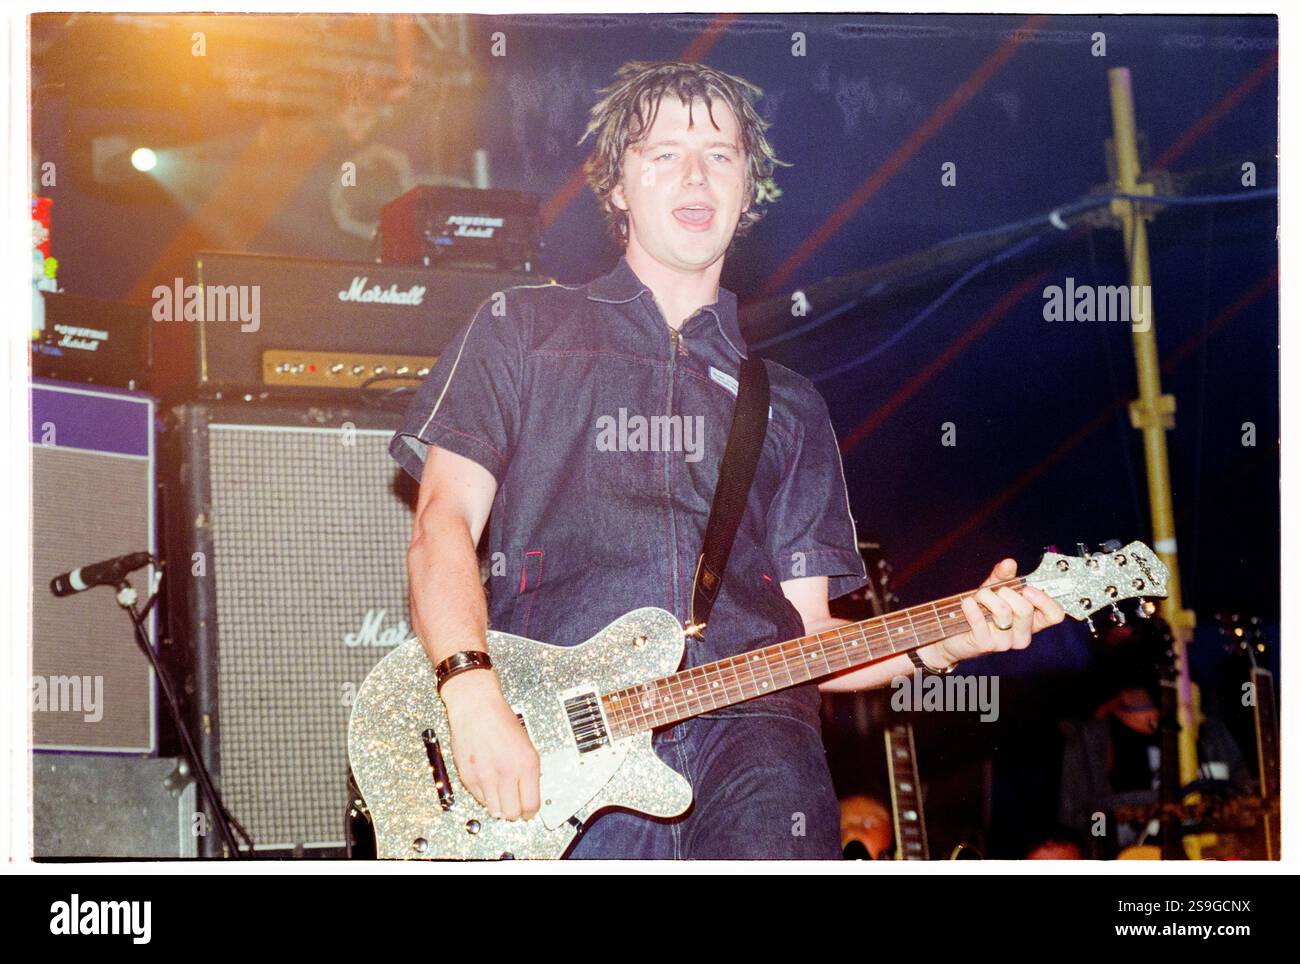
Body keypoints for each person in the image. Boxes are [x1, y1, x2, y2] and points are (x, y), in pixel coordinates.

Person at [389, 60, 1065, 859]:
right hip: (563, 736)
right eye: (662, 152)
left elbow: (813, 637)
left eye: (721, 154)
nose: (695, 173)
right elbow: (442, 522)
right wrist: (470, 691)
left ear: (748, 192)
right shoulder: (519, 330)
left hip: (756, 740)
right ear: (616, 186)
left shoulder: (789, 405)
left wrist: (950, 639)